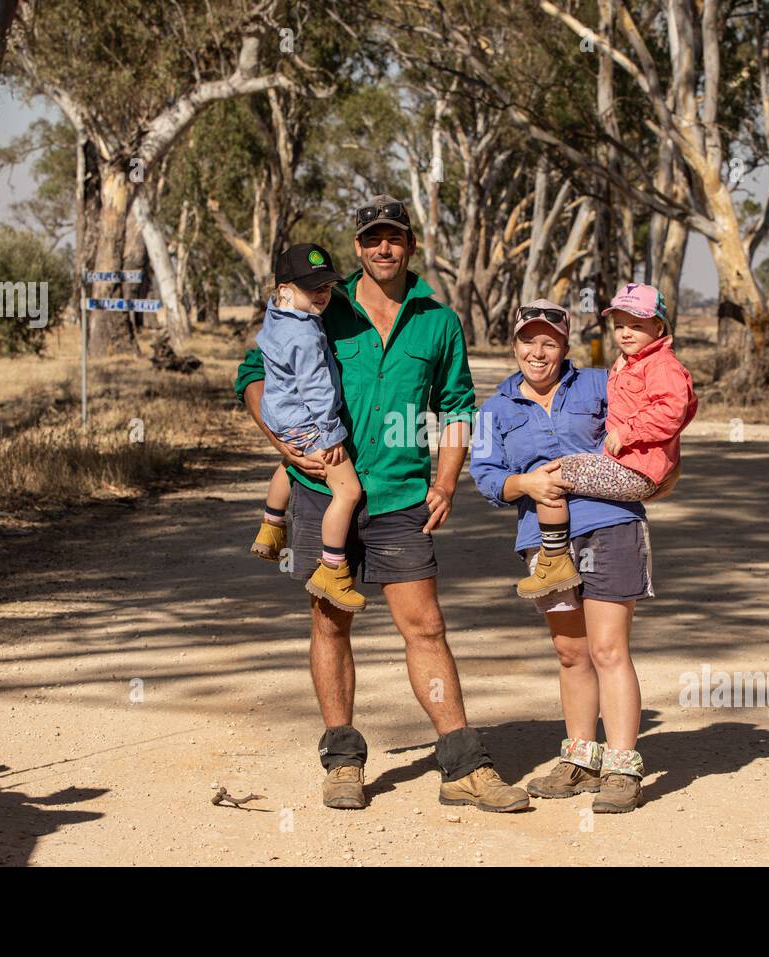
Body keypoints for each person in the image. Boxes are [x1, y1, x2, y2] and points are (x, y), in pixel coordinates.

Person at [235, 195, 530, 813]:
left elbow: (454, 409)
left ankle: (463, 765)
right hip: (323, 489)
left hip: (400, 494)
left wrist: (446, 481)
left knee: (424, 625)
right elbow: (254, 375)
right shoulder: (320, 307)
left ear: (410, 245)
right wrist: (283, 444)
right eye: (372, 239)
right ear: (359, 248)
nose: (383, 248)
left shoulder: (438, 321)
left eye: (394, 237)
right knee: (329, 621)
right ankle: (342, 759)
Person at [469, 300, 677, 813]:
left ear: (566, 347)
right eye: (528, 340)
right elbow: (485, 476)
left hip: (611, 526)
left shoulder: (602, 384)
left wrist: (667, 472)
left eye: (549, 342)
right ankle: (581, 760)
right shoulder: (490, 410)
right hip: (542, 542)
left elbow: (655, 422)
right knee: (570, 652)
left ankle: (623, 765)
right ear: (513, 344)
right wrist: (525, 483)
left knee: (608, 649)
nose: (537, 352)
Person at [515, 284, 696, 600]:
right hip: (631, 464)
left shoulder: (660, 364)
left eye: (637, 325)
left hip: (635, 469)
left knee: (549, 479)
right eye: (619, 326)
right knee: (555, 472)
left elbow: (674, 410)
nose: (626, 333)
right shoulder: (633, 360)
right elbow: (688, 406)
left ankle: (554, 562)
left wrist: (628, 433)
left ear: (659, 326)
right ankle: (556, 558)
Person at [249, 243, 366, 613]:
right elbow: (317, 388)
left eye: (326, 287)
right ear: (284, 289)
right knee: (347, 491)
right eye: (311, 287)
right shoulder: (305, 335)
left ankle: (270, 525)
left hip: (281, 417)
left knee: (291, 464)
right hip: (309, 423)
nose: (322, 294)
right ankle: (332, 569)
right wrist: (331, 434)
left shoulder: (277, 317)